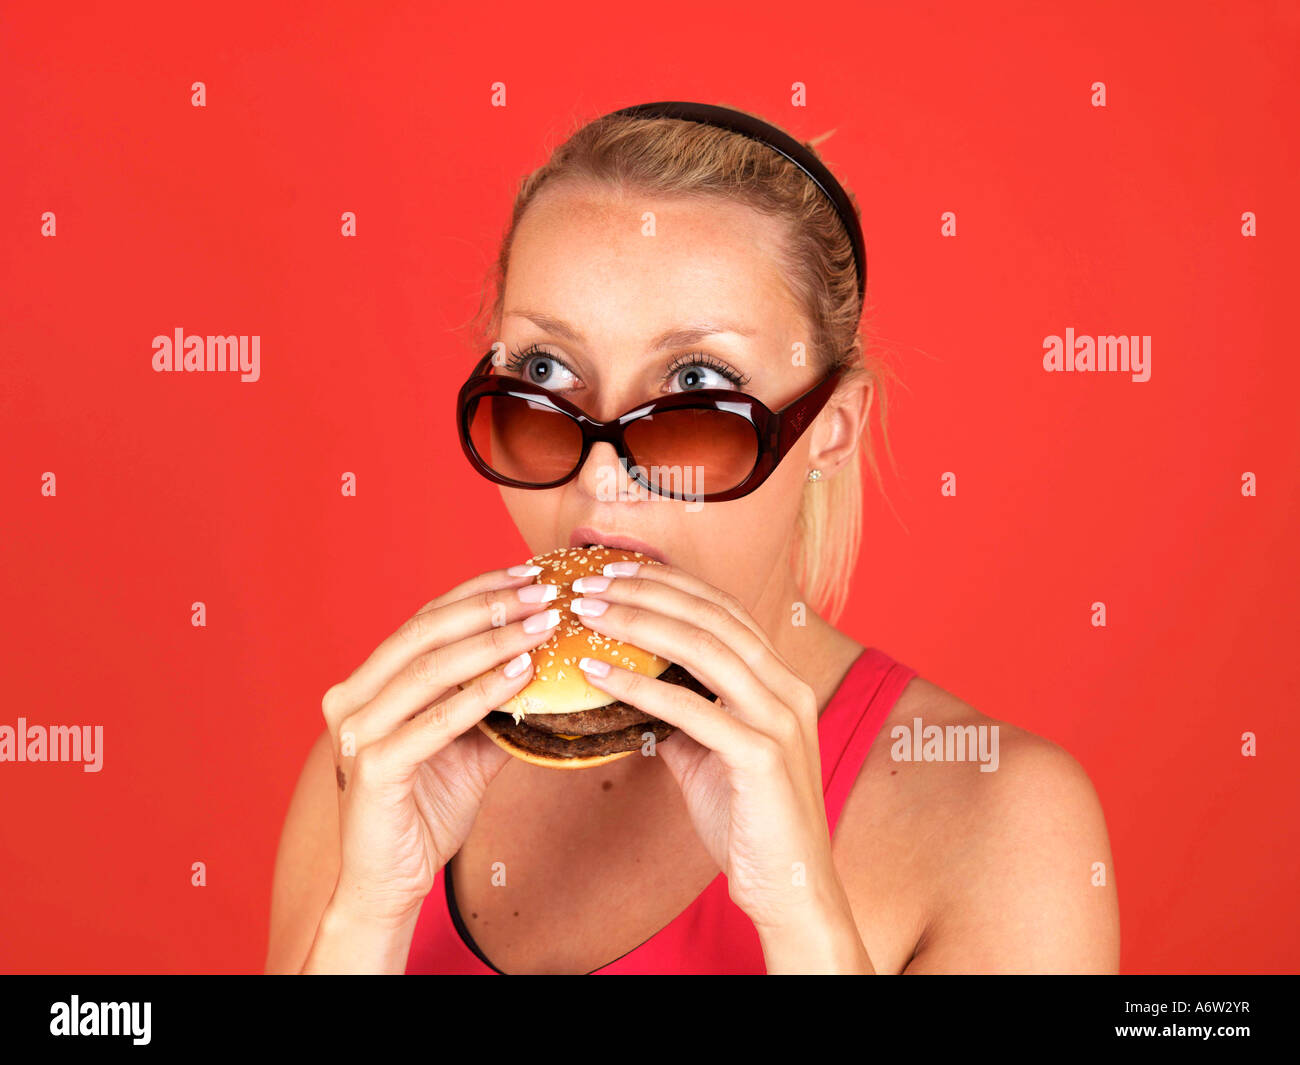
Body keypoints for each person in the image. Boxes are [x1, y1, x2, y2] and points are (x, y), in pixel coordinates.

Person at [264, 102, 1119, 974]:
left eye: (698, 385)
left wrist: (802, 917)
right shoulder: (383, 756)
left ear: (832, 428)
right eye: (545, 370)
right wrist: (365, 916)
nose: (603, 476)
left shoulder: (1003, 821)